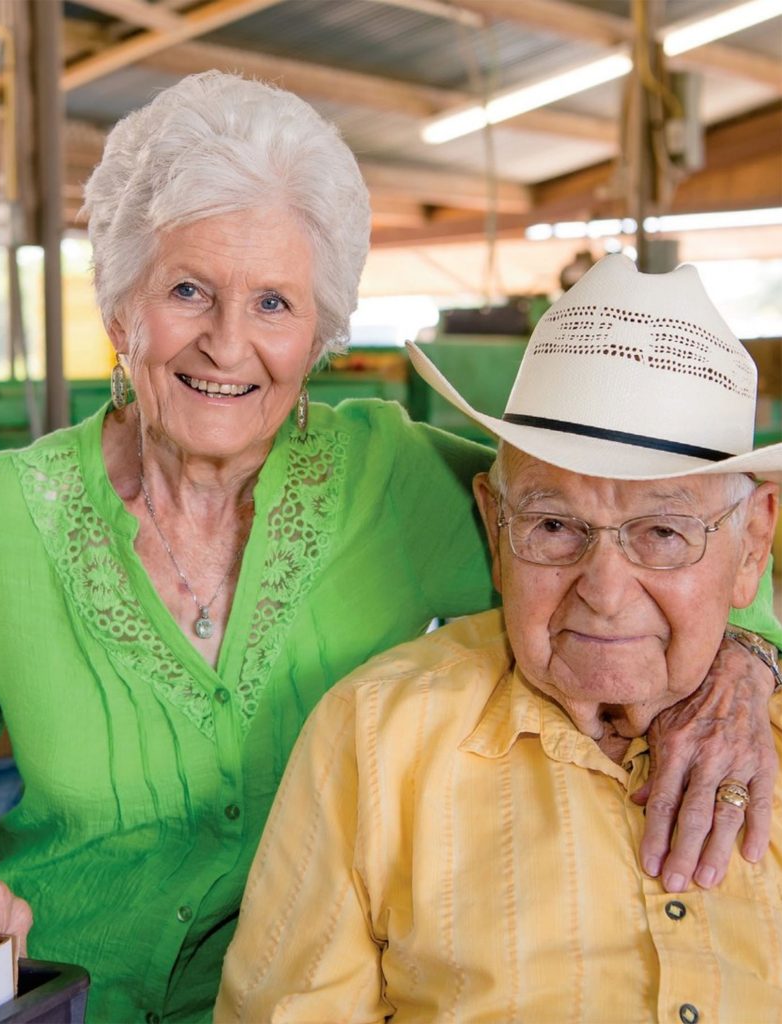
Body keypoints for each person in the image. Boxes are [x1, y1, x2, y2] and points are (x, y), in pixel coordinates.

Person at [0, 75, 778, 1023]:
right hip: (65, 997)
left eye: (274, 304)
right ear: (121, 307)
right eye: (188, 291)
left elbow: (630, 528)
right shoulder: (2, 513)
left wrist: (748, 661)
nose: (226, 345)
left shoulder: (389, 475)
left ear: (320, 331)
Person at [215, 253, 782, 1023]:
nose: (605, 592)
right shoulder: (379, 740)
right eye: (553, 526)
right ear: (493, 525)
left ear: (753, 546)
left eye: (662, 532)